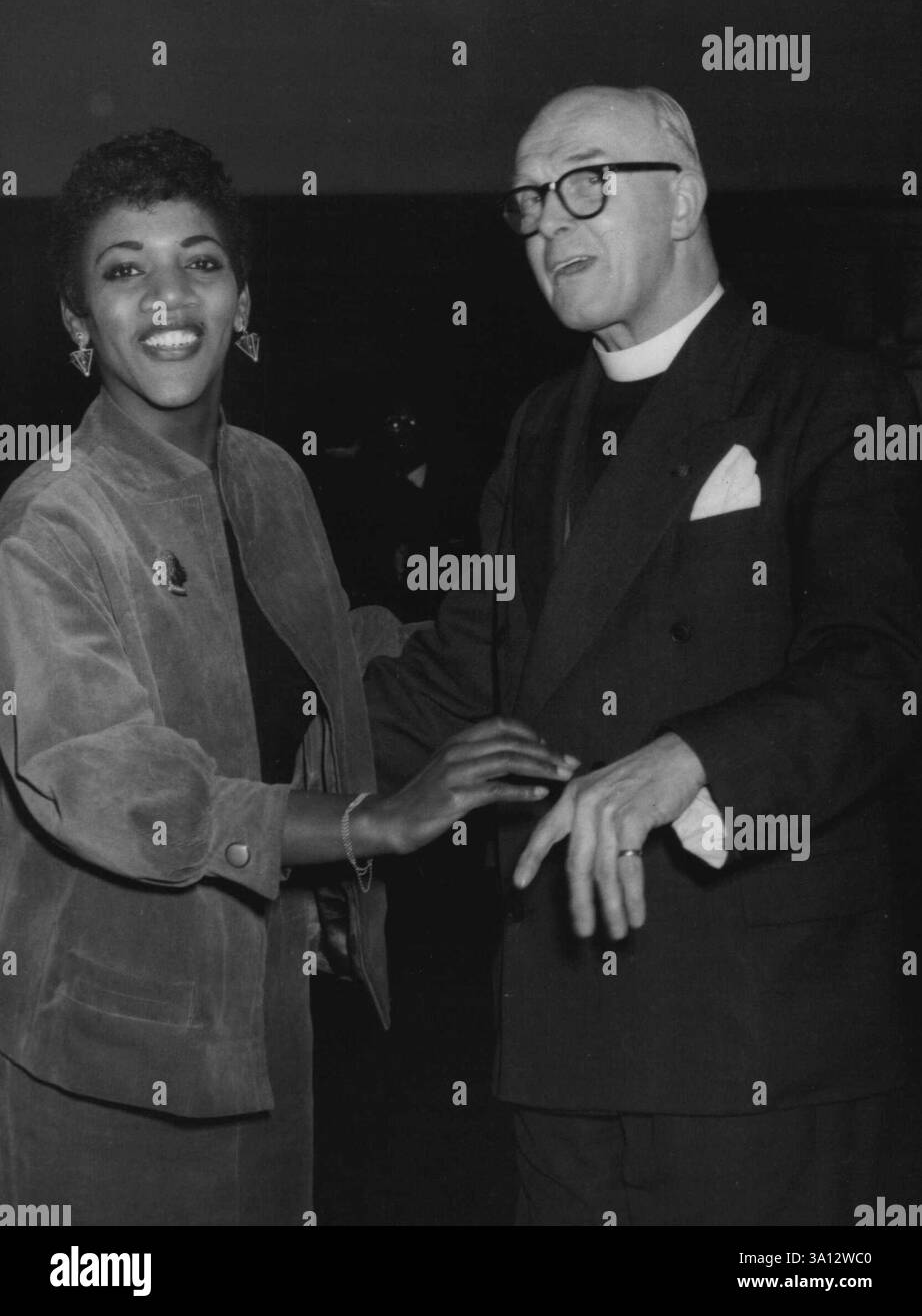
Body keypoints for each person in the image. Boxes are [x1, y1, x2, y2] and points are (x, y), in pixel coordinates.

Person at [365, 86, 922, 1225]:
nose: (548, 223)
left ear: (686, 198)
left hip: (759, 1040)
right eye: (527, 200)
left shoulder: (831, 397)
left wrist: (686, 759)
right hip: (564, 1044)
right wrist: (226, 727)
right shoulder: (532, 432)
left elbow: (879, 669)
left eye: (584, 182)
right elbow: (460, 677)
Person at [0, 128, 575, 1226]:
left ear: (243, 298)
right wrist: (375, 822)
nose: (169, 296)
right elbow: (129, 792)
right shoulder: (49, 523)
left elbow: (316, 662)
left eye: (200, 262)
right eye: (124, 270)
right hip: (118, 1067)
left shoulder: (267, 475)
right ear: (78, 324)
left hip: (283, 1020)